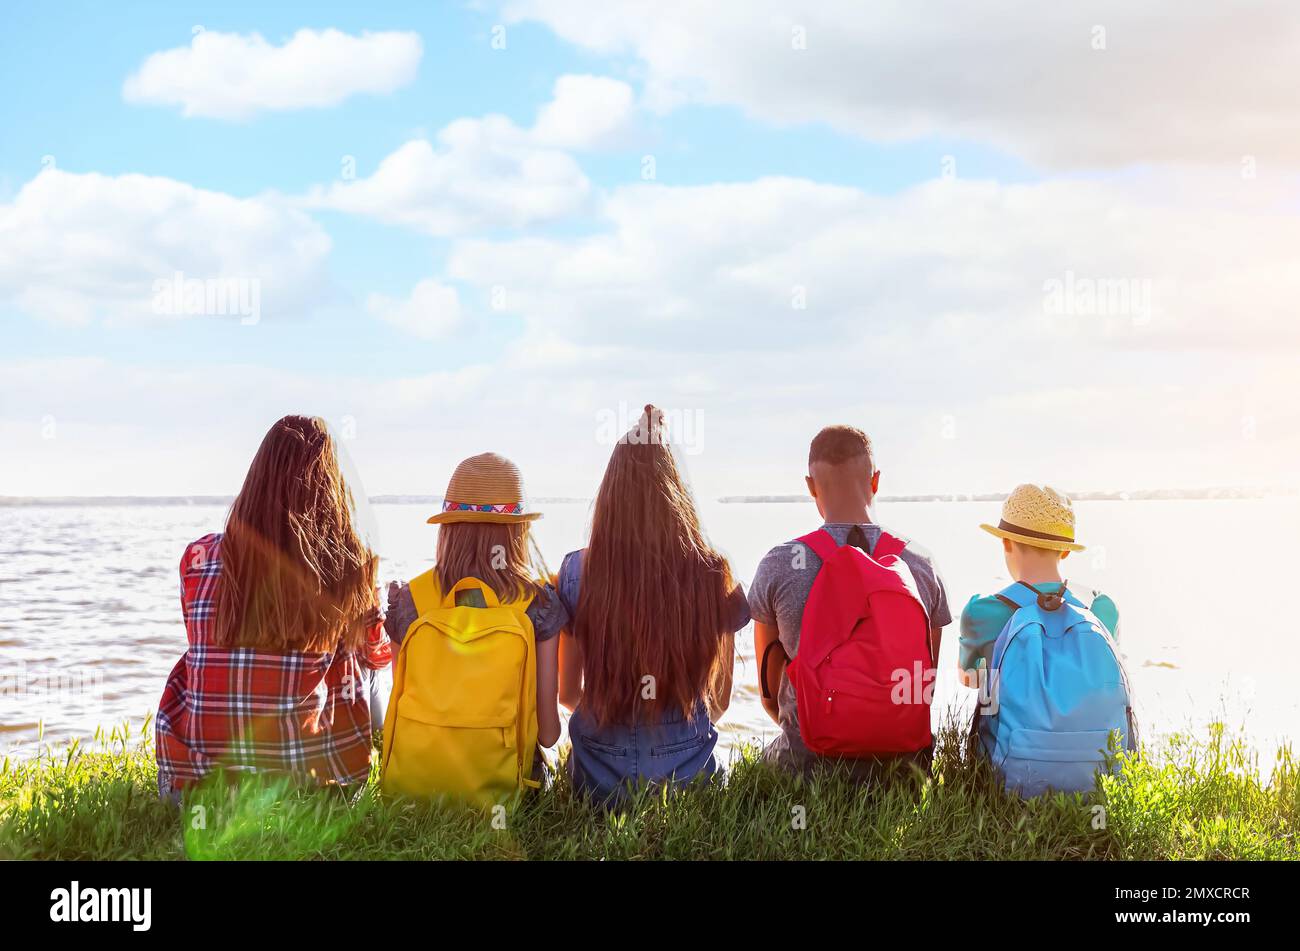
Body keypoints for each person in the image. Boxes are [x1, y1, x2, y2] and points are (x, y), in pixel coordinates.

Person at [155, 415, 391, 800]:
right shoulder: (351, 564)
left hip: (199, 788)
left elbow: (199, 637)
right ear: (332, 488)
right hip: (317, 791)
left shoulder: (198, 558)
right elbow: (377, 658)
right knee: (370, 663)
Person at [557, 405, 748, 804]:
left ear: (611, 492)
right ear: (679, 491)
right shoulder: (714, 572)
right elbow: (720, 700)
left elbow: (567, 693)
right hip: (688, 777)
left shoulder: (576, 571)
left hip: (596, 781)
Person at [749, 424, 951, 777]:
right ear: (875, 481)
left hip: (807, 763)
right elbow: (924, 685)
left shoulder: (781, 563)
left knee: (751, 770)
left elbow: (769, 692)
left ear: (811, 487)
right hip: (904, 766)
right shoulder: (921, 564)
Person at [381, 452, 564, 798]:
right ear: (519, 531)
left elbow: (400, 695)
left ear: (448, 527)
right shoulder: (536, 604)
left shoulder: (412, 600)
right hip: (505, 788)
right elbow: (548, 734)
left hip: (412, 785)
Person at [959, 483, 1119, 689]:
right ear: (1065, 551)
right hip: (1098, 722)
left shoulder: (982, 611)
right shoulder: (1101, 606)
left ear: (1006, 542)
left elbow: (971, 680)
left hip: (1016, 723)